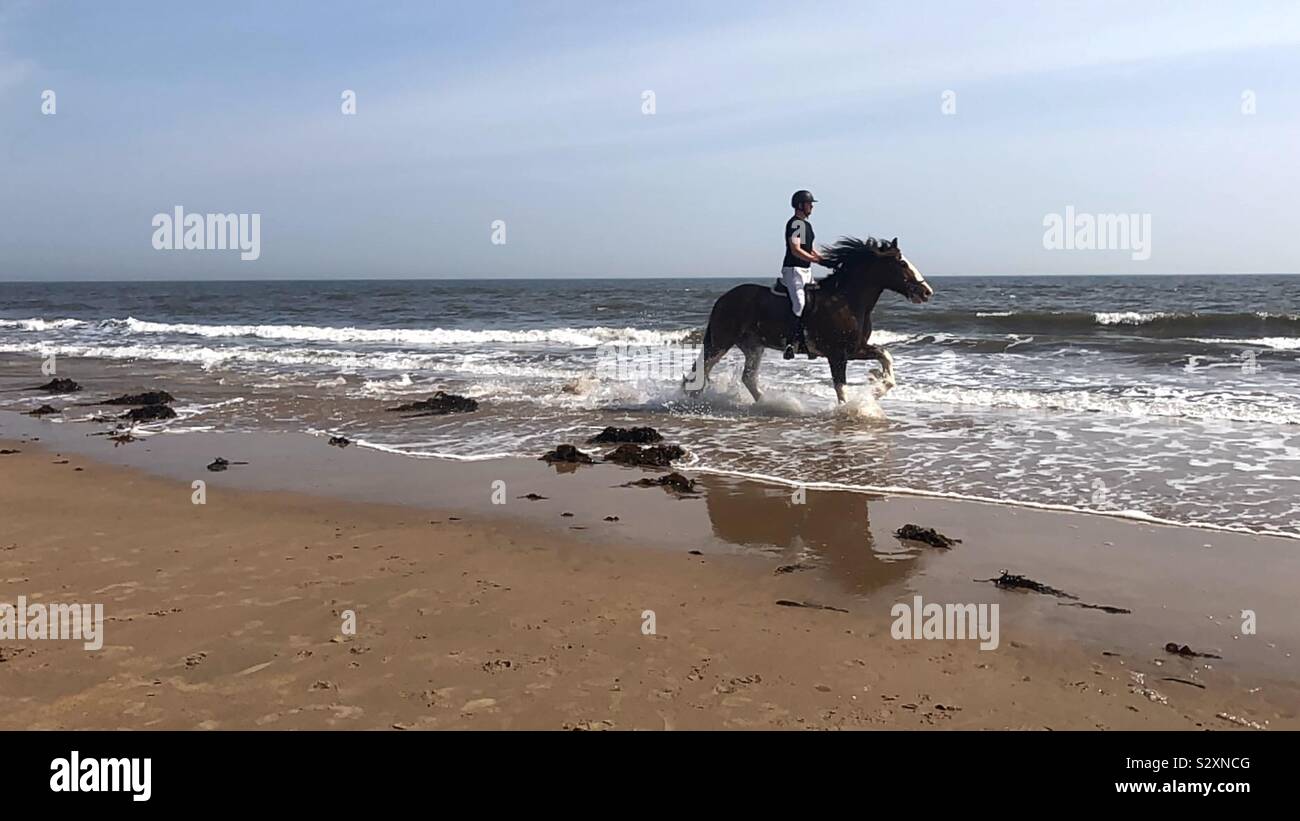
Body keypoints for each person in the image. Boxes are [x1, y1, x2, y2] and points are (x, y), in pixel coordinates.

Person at [781, 190, 823, 359]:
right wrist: (816, 260)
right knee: (799, 304)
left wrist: (824, 259)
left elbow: (808, 248)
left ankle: (809, 340)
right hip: (794, 270)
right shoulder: (796, 224)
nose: (811, 206)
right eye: (809, 203)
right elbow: (796, 250)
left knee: (815, 303)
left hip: (806, 271)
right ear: (800, 205)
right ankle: (790, 344)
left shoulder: (806, 225)